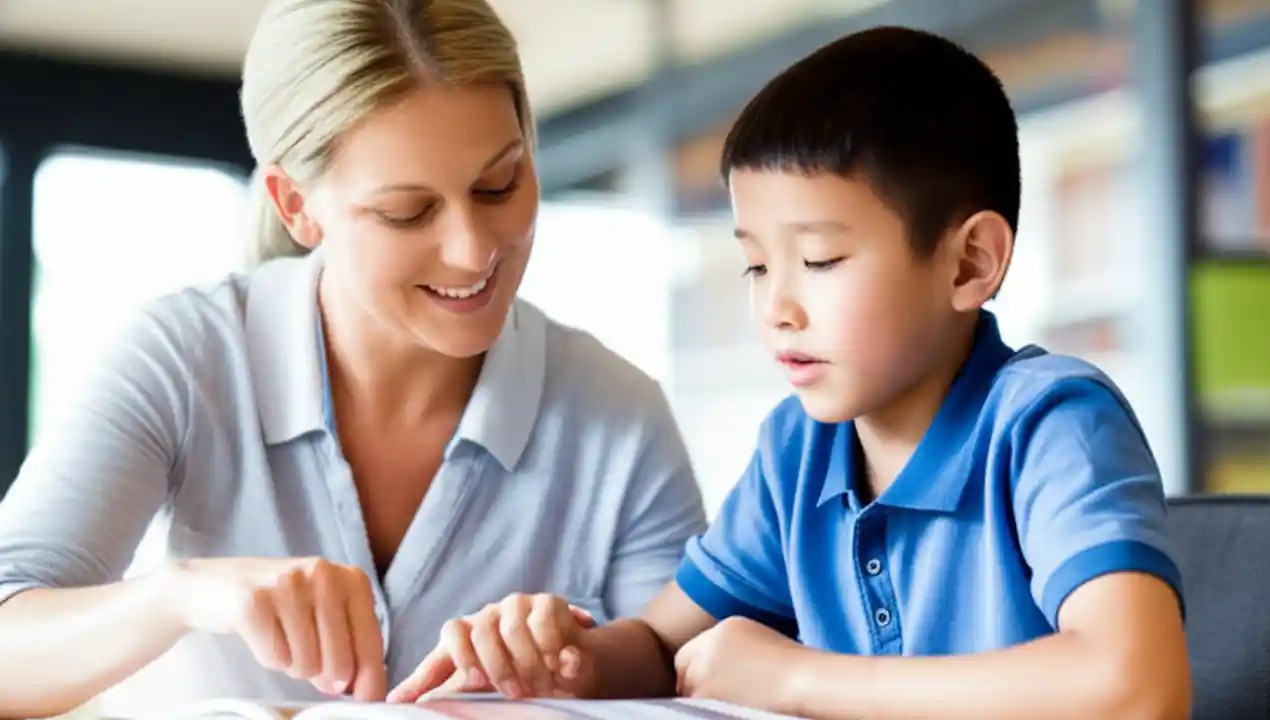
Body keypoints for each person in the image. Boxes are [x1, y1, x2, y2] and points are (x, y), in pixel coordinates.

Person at [391, 26, 1192, 720]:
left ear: (969, 263)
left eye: (820, 259)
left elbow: (1136, 687)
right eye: (755, 265)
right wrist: (562, 659)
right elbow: (666, 647)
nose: (776, 307)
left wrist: (801, 678)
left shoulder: (1051, 425)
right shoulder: (799, 452)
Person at [0, 1, 705, 717]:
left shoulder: (620, 415)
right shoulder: (184, 359)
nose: (473, 250)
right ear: (295, 206)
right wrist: (182, 594)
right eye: (407, 212)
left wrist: (577, 665)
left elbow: (692, 672)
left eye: (498, 185)